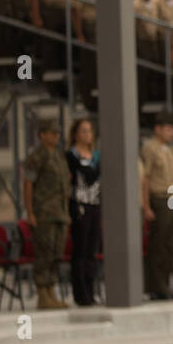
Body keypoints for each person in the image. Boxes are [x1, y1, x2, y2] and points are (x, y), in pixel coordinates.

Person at [23, 119, 70, 310]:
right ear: (42, 135)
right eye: (52, 133)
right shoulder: (36, 157)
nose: (56, 136)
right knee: (44, 252)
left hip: (59, 212)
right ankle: (43, 293)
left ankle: (51, 290)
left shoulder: (59, 156)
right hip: (43, 212)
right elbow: (28, 185)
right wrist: (30, 212)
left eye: (58, 133)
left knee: (56, 253)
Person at [141, 112, 173, 300]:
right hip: (158, 198)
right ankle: (157, 286)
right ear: (157, 129)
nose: (171, 133)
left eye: (172, 129)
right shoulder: (151, 147)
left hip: (171, 198)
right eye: (167, 129)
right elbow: (146, 178)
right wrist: (146, 205)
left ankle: (165, 283)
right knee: (158, 245)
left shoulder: (168, 149)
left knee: (168, 245)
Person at [66, 118, 101, 306]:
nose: (87, 134)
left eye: (90, 131)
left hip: (95, 204)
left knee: (91, 251)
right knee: (80, 250)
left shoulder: (96, 156)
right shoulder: (70, 156)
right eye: (83, 131)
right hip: (79, 205)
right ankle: (80, 294)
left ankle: (91, 290)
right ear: (76, 134)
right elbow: (68, 182)